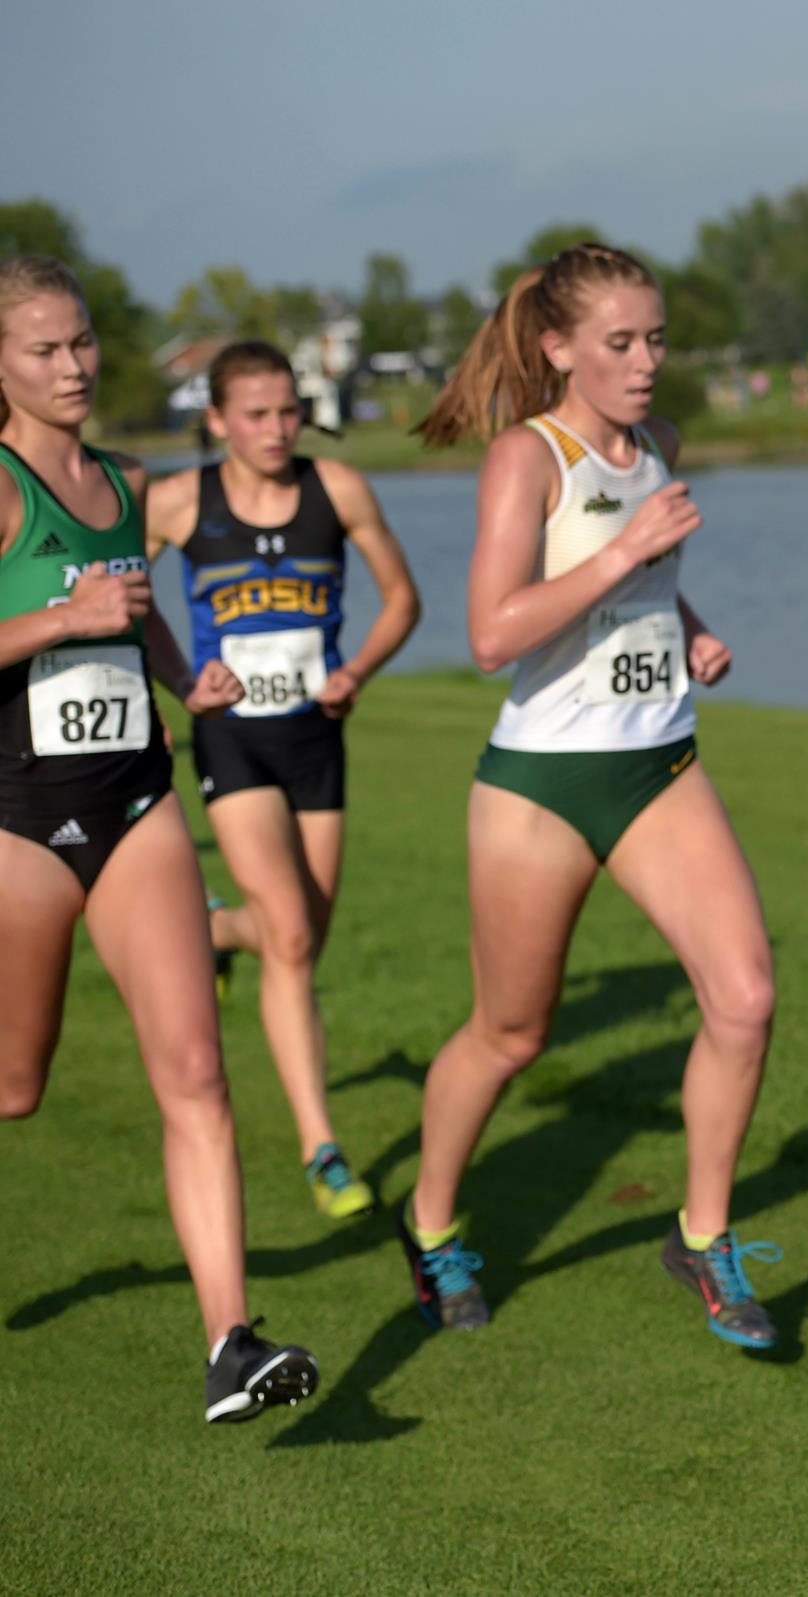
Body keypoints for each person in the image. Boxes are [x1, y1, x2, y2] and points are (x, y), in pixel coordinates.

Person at [399, 243, 780, 1347]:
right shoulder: (528, 458)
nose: (646, 360)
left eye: (655, 338)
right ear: (559, 347)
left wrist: (688, 626)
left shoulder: (659, 445)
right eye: (620, 342)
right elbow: (490, 633)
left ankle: (703, 1236)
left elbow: (644, 576)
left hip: (660, 764)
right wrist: (626, 555)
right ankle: (431, 1226)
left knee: (745, 999)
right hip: (542, 786)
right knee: (512, 1032)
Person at [0, 255, 318, 1422]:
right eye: (44, 348)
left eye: (82, 341)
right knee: (15, 1086)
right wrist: (61, 616)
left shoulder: (128, 481)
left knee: (194, 1071)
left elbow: (132, 623)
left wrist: (188, 679)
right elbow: (80, 615)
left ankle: (231, 1341)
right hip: (18, 818)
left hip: (137, 800)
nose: (73, 365)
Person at [148, 339, 422, 1220]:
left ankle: (215, 931)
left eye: (288, 411)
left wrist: (357, 671)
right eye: (256, 414)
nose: (276, 429)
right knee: (294, 936)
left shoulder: (337, 488)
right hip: (231, 741)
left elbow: (403, 599)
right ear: (217, 419)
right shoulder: (179, 501)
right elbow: (123, 596)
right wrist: (177, 681)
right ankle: (322, 1148)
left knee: (299, 936)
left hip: (316, 740)